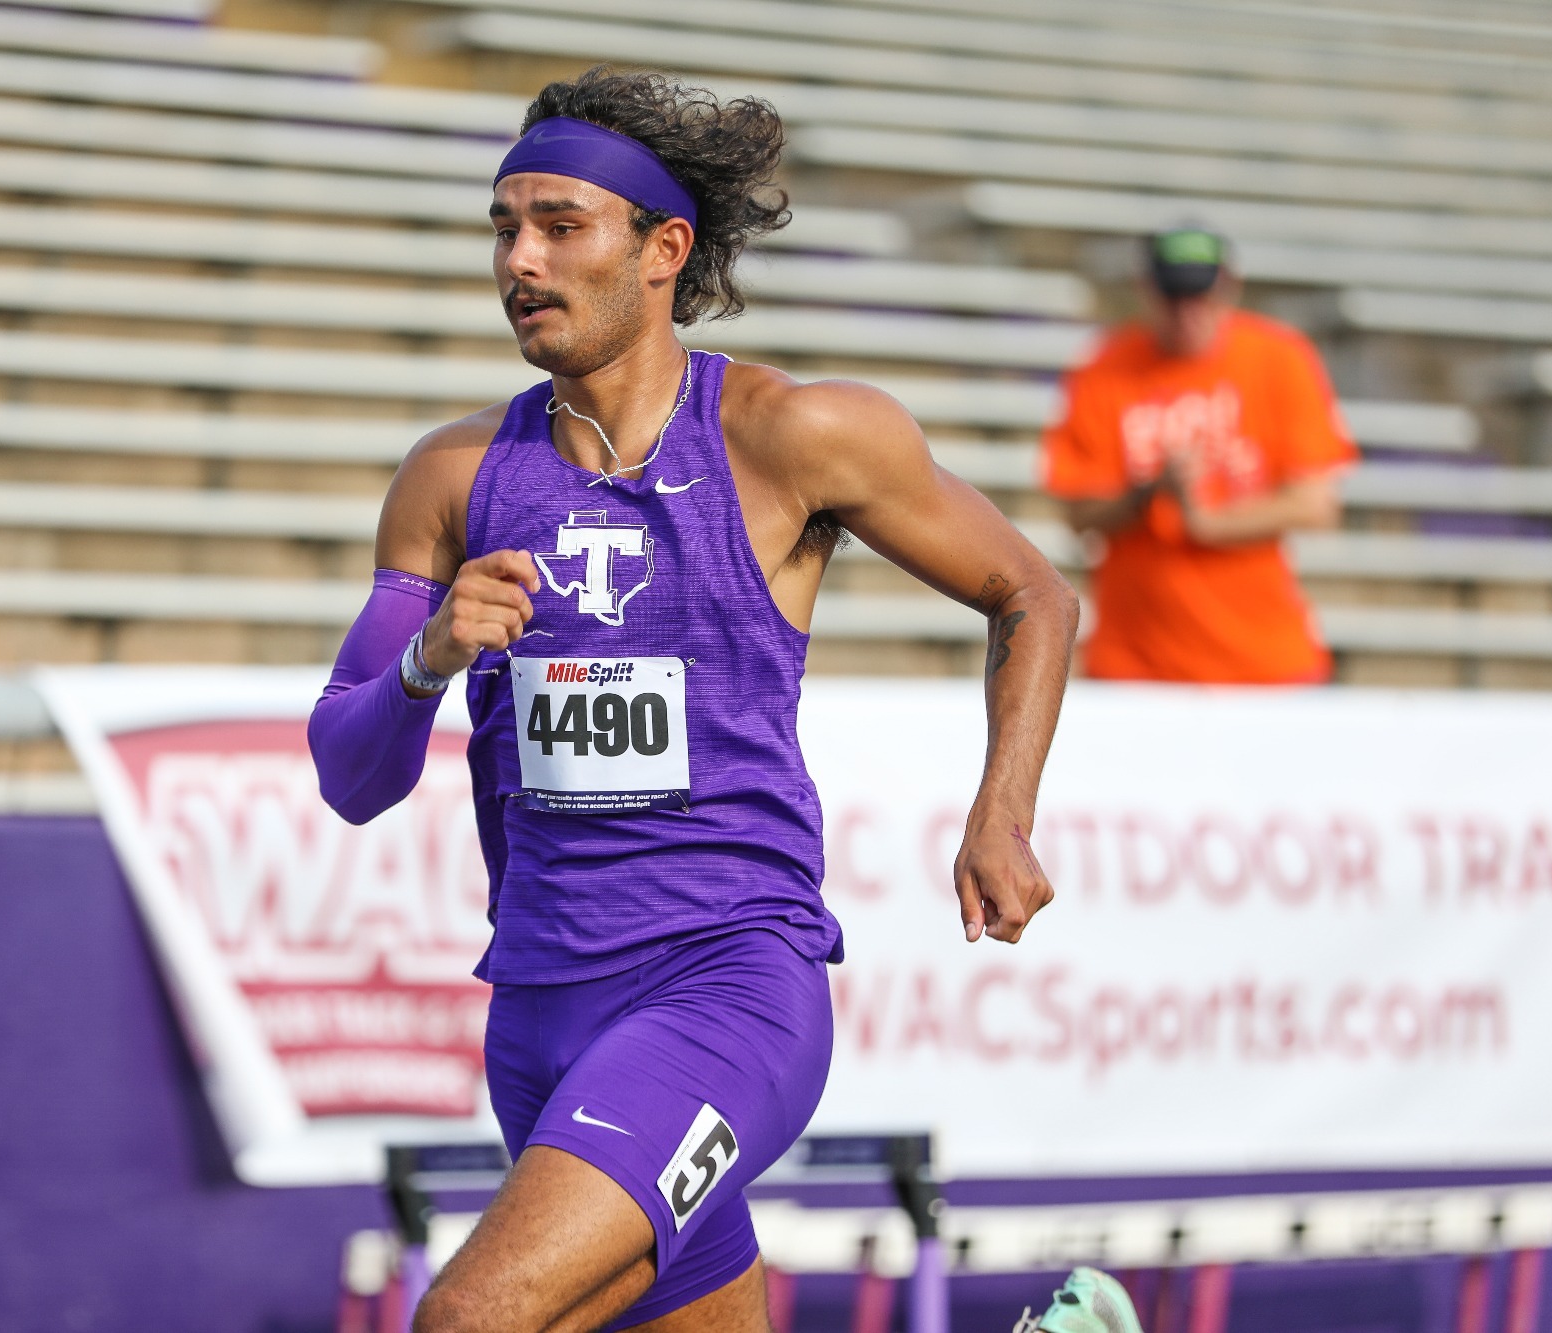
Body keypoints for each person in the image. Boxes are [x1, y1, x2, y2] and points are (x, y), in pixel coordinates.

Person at [308, 67, 1077, 1333]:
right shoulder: (450, 476)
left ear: (663, 249)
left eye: (560, 225)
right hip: (541, 1014)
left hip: (726, 984)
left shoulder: (794, 434)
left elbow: (1032, 596)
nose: (519, 259)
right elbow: (350, 775)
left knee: (464, 1320)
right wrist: (426, 660)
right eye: (504, 226)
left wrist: (1001, 813)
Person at [1041, 228, 1358, 684]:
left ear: (1230, 287)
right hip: (1136, 662)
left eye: (1201, 296)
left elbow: (1316, 504)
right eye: (1174, 297)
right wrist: (1150, 491)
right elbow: (1077, 510)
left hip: (1264, 661)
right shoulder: (1103, 369)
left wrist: (1207, 522)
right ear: (1146, 290)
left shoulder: (1279, 358)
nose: (1189, 313)